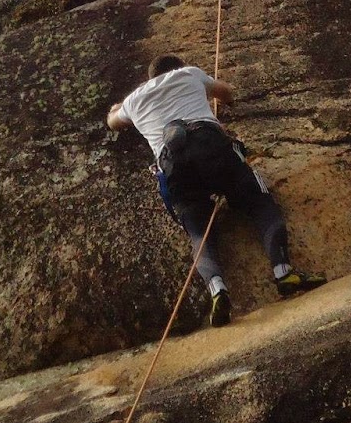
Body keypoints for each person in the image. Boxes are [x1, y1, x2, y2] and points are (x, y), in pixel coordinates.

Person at [107, 54, 325, 327]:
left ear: (151, 77)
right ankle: (283, 272)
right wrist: (224, 101)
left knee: (198, 230)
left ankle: (217, 287)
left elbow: (113, 122)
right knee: (259, 202)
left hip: (171, 164)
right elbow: (226, 92)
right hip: (208, 145)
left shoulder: (134, 99)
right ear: (178, 67)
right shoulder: (187, 74)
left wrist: (115, 109)